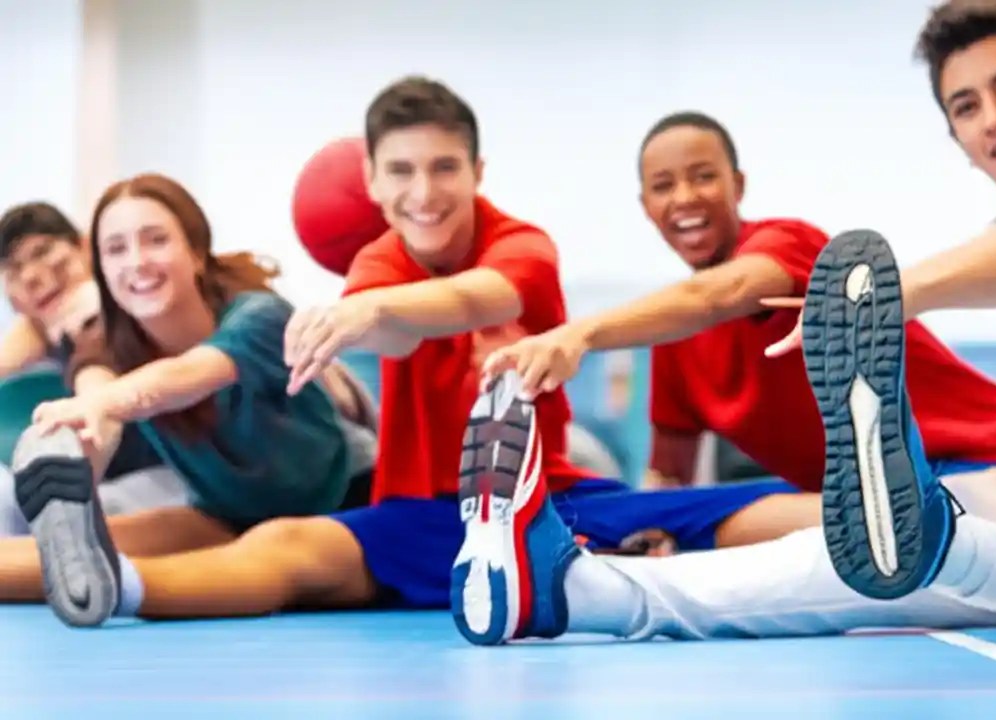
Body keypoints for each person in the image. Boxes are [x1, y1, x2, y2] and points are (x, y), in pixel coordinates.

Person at [451, 0, 996, 645]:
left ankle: (941, 546)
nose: (993, 116)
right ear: (955, 134)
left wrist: (881, 294)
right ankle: (577, 594)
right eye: (966, 104)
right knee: (872, 558)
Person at [16, 76, 803, 630]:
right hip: (420, 510)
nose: (423, 190)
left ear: (476, 171)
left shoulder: (520, 245)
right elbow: (393, 330)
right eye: (401, 170)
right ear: (370, 179)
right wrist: (368, 316)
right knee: (287, 551)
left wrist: (371, 312)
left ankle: (876, 520)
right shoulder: (377, 267)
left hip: (549, 496)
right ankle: (117, 585)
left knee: (715, 515)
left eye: (442, 167)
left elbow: (479, 298)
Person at [480, 111, 996, 529]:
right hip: (852, 500)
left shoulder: (788, 245)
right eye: (663, 186)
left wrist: (578, 333)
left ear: (738, 186)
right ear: (646, 207)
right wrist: (650, 525)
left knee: (787, 528)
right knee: (665, 513)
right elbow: (670, 480)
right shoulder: (675, 344)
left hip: (987, 470)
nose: (684, 197)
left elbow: (724, 292)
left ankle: (899, 524)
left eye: (703, 177)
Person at [5, 172, 375, 627]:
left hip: (343, 505)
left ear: (196, 253)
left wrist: (102, 405)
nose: (137, 262)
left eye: (155, 240)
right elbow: (96, 387)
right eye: (117, 250)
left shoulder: (259, 315)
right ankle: (94, 568)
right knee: (52, 555)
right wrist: (85, 443)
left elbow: (184, 376)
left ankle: (121, 585)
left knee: (265, 552)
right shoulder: (111, 349)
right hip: (226, 515)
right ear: (102, 269)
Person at [0, 202, 184, 533]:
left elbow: (97, 370)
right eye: (13, 271)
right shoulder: (42, 329)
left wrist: (94, 410)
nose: (31, 276)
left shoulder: (112, 307)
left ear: (84, 248)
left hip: (177, 477)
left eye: (43, 252)